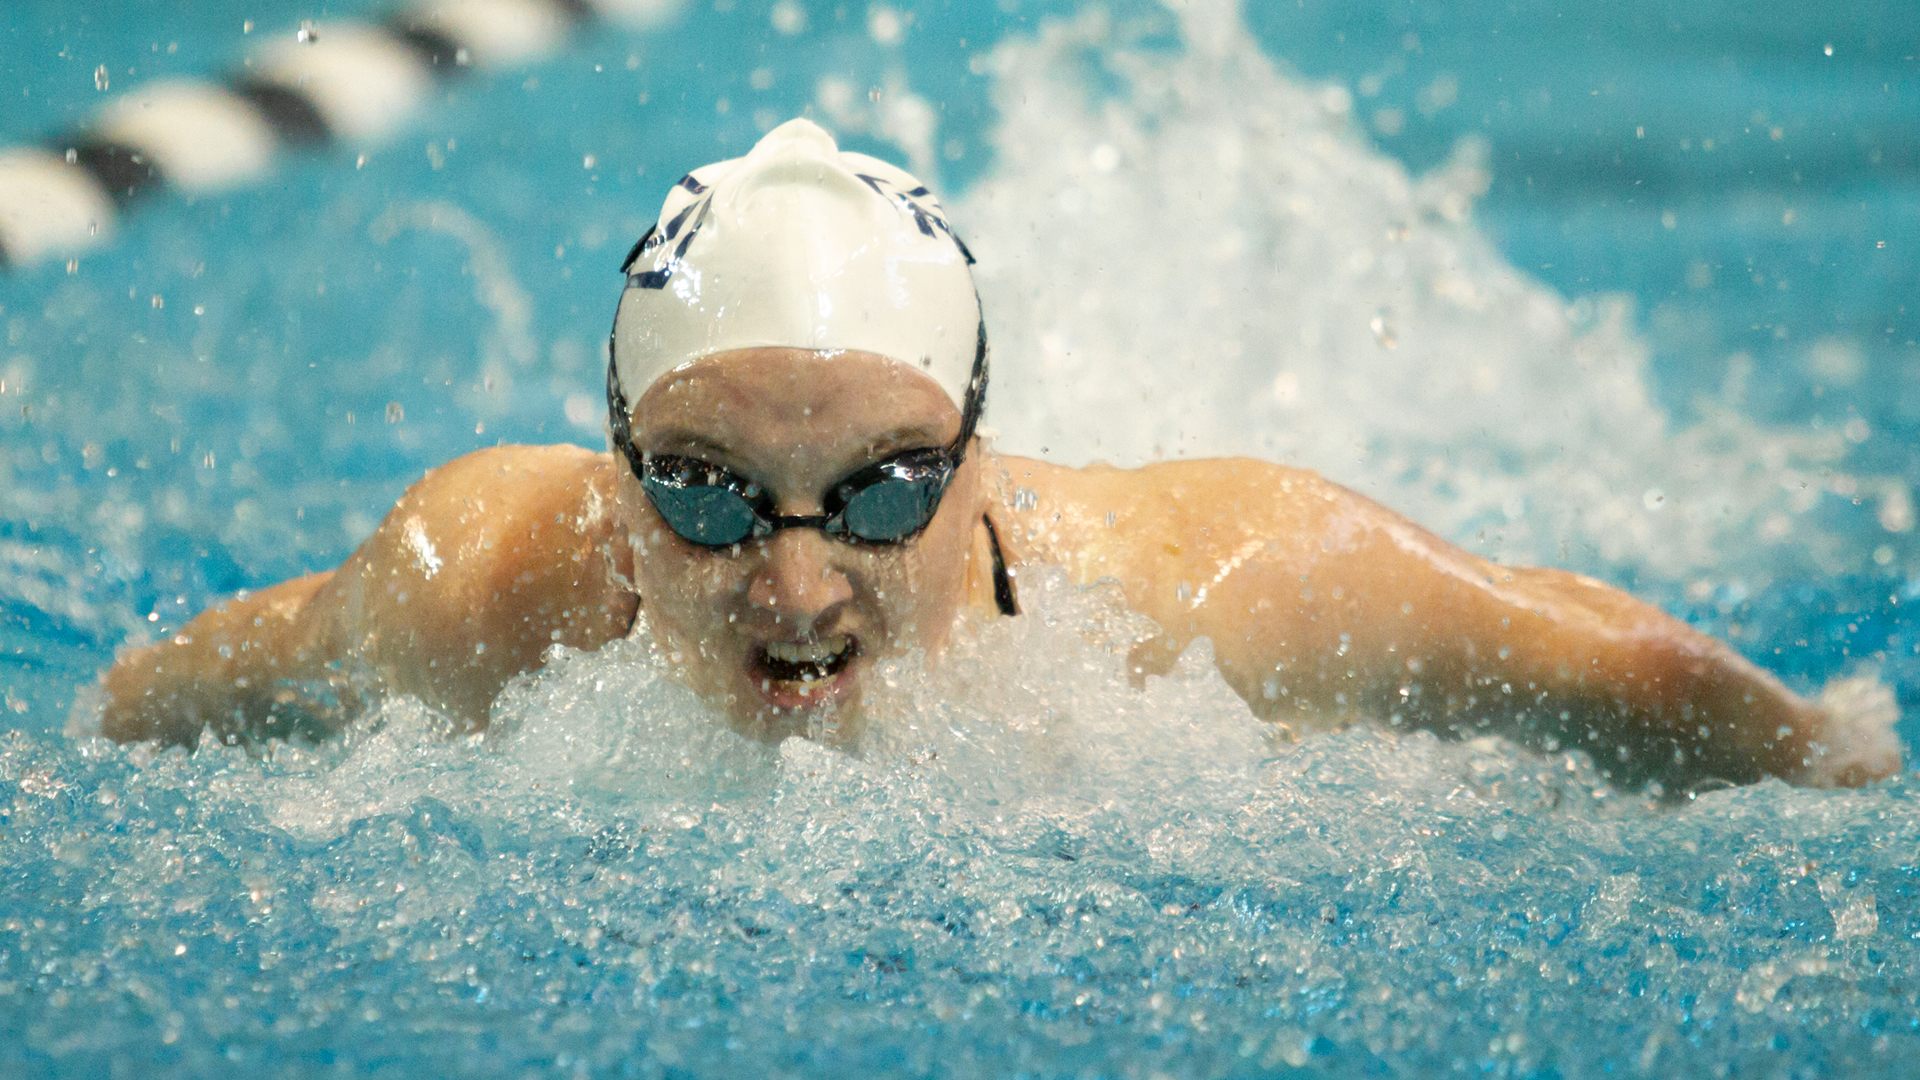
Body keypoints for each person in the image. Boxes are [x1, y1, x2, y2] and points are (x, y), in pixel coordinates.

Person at [97, 119, 1898, 789]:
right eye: (707, 495)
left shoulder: (1204, 592)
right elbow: (148, 700)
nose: (795, 588)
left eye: (882, 490)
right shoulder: (471, 586)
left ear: (978, 455)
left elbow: (1600, 655)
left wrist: (1835, 760)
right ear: (617, 463)